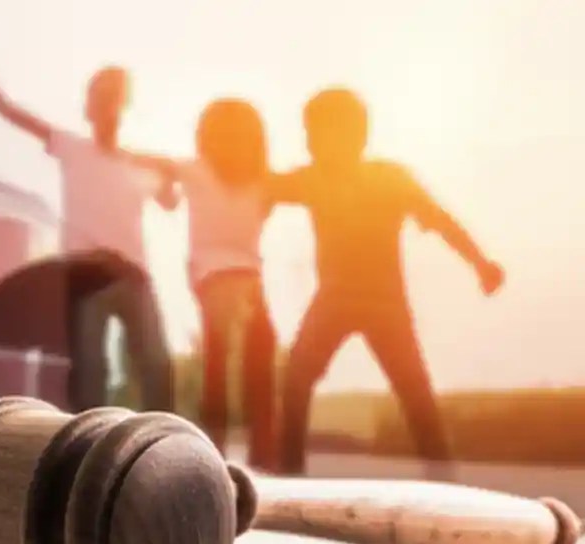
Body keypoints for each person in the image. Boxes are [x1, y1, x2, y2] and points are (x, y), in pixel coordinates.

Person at [271, 87, 505, 477]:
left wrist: (480, 262)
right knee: (296, 379)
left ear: (355, 135)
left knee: (414, 391)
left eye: (316, 134)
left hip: (383, 305)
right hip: (340, 300)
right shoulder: (312, 178)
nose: (309, 143)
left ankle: (443, 476)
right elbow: (258, 184)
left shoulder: (389, 178)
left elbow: (440, 219)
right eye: (307, 134)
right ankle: (289, 474)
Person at [0, 24, 176, 413]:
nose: (106, 109)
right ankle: (88, 451)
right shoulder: (71, 146)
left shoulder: (139, 163)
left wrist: (171, 180)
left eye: (113, 101)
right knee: (91, 374)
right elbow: (6, 109)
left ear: (122, 108)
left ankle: (171, 448)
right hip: (86, 274)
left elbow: (171, 201)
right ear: (90, 110)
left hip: (133, 275)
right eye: (99, 101)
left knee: (156, 366)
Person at [126, 98, 279, 469]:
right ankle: (224, 447)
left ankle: (249, 448)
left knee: (247, 353)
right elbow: (147, 161)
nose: (235, 147)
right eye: (228, 137)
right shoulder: (198, 171)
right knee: (229, 356)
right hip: (217, 274)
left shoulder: (261, 180)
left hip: (240, 275)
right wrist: (160, 184)